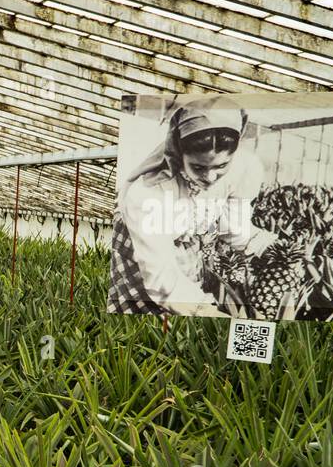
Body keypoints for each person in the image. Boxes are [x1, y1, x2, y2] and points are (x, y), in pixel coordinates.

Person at [109, 98, 278, 316]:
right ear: (179, 152)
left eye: (222, 165)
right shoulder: (150, 192)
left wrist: (273, 249)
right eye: (198, 167)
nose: (210, 177)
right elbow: (162, 279)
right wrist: (209, 313)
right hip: (140, 257)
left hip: (185, 254)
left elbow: (233, 229)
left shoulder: (243, 169)